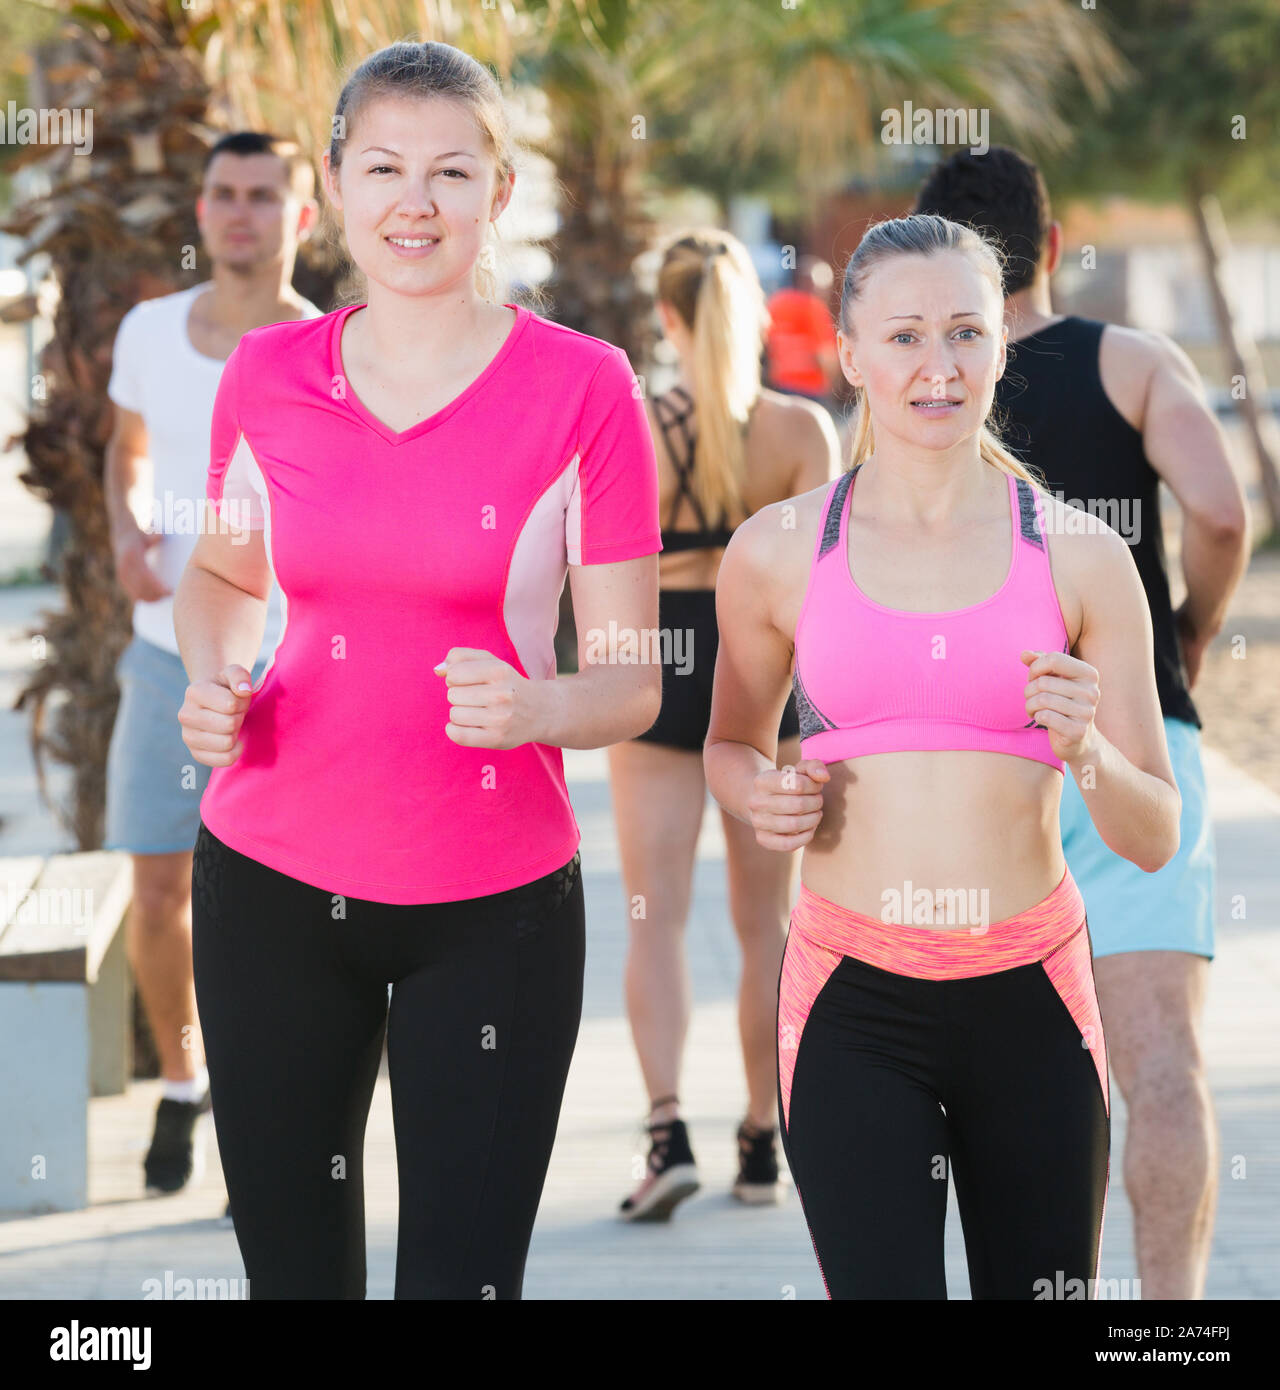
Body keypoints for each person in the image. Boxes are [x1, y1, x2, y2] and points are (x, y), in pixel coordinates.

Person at [174, 40, 662, 1300]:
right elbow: (225, 580)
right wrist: (217, 679)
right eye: (384, 166)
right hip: (271, 885)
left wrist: (541, 704)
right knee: (294, 1279)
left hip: (495, 903)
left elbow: (630, 676)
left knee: (462, 1280)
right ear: (334, 184)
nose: (415, 201)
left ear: (499, 193)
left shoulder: (584, 389)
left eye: (452, 172)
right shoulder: (267, 376)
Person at [705, 213, 1183, 1299]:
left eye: (965, 332)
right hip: (848, 1001)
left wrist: (1086, 754)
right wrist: (760, 795)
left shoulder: (1079, 554)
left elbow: (1152, 835)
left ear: (1000, 344)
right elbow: (728, 745)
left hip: (1031, 998)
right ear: (851, 353)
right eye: (906, 336)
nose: (937, 366)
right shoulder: (777, 550)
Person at [914, 146, 1249, 1299]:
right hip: (1134, 738)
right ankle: (1165, 1324)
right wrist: (1189, 627)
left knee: (997, 1077)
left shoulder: (925, 385)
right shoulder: (1130, 363)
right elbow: (1212, 508)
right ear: (1049, 249)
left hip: (967, 761)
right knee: (1159, 1062)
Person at [103, 131, 322, 1203]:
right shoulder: (149, 330)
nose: (241, 214)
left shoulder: (332, 344)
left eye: (264, 196)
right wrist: (126, 533)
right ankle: (183, 1083)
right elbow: (126, 451)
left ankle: (262, 1104)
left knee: (282, 905)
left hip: (297, 661)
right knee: (155, 889)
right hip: (161, 658)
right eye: (225, 195)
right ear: (200, 210)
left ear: (303, 217)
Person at [609, 231, 839, 1221]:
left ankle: (664, 1133)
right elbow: (823, 593)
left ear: (664, 318)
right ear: (749, 316)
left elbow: (601, 571)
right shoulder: (796, 432)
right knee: (766, 927)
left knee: (650, 917)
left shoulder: (626, 424)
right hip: (763, 667)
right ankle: (760, 1133)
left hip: (658, 661)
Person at [764, 255, 840, 412]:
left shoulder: (776, 303)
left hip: (779, 386)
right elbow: (825, 356)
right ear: (813, 284)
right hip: (809, 390)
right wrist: (834, 388)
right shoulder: (813, 308)